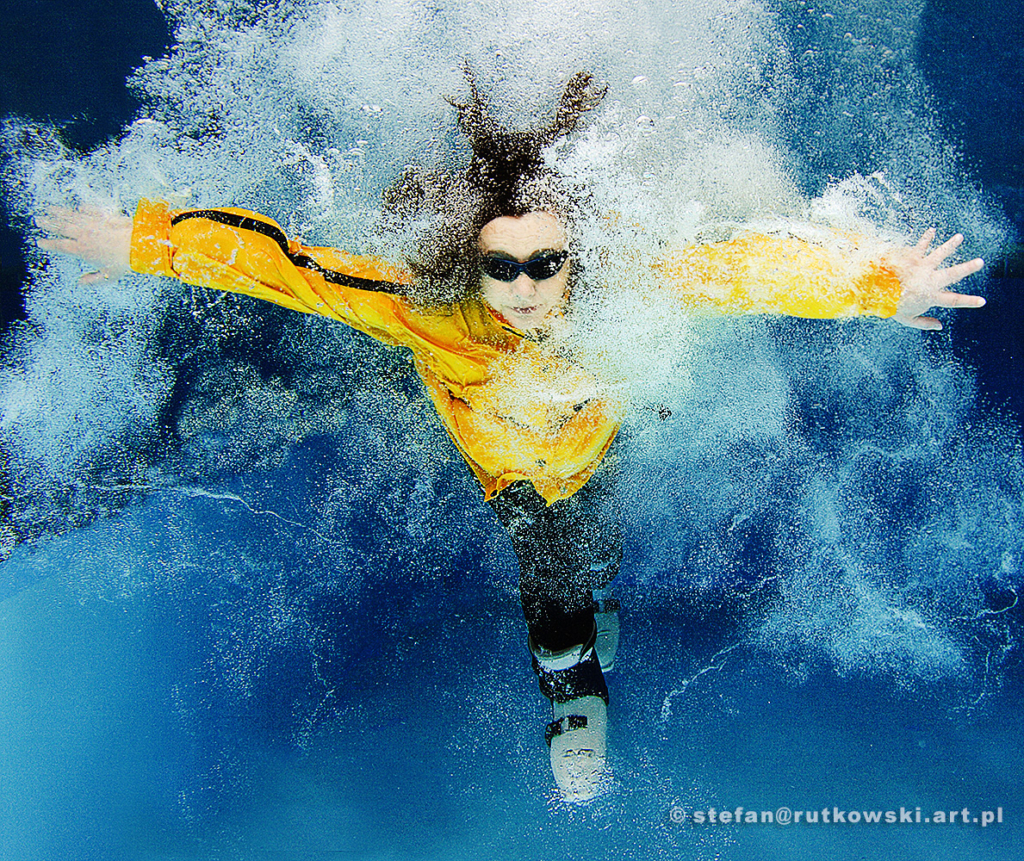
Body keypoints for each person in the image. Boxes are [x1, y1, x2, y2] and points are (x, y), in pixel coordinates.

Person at [32, 72, 985, 802]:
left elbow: (744, 269)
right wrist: (143, 243)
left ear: (574, 261)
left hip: (594, 445)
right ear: (470, 265)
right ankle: (573, 695)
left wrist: (876, 284)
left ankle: (594, 598)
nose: (524, 285)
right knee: (549, 574)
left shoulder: (627, 294)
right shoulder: (425, 312)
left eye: (544, 262)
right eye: (500, 265)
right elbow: (287, 263)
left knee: (596, 536)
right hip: (509, 474)